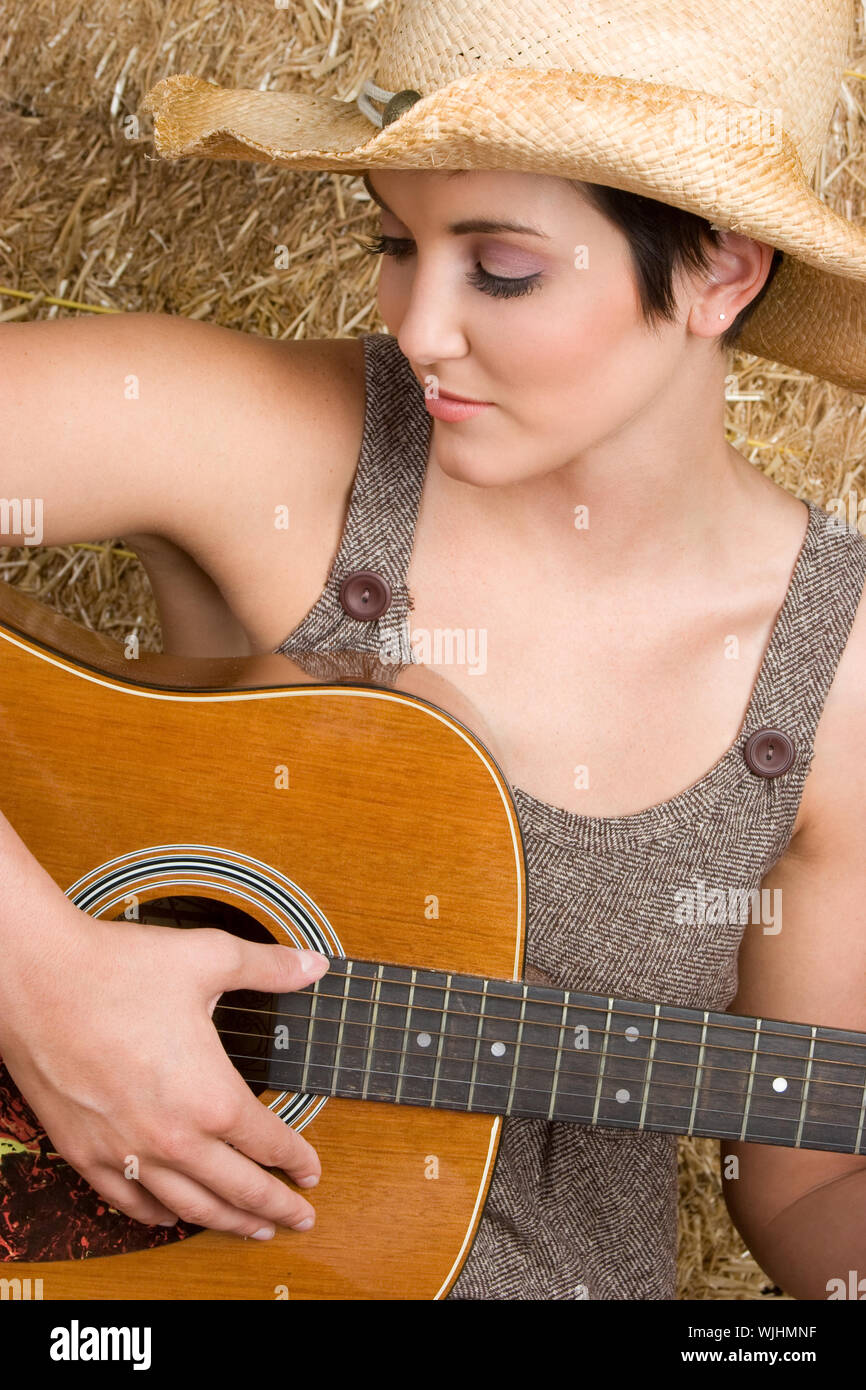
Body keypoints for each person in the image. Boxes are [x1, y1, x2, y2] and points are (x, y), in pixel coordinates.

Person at [2, 0, 866, 1299]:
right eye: (394, 241)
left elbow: (795, 1183)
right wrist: (42, 974)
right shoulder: (269, 444)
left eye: (501, 268)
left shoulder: (837, 674)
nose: (417, 326)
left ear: (718, 271)